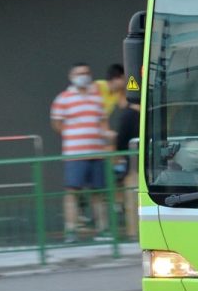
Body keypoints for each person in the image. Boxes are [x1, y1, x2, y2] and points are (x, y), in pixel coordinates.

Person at [50, 62, 112, 237]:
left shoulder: (97, 97)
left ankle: (103, 228)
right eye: (79, 73)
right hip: (75, 153)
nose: (83, 76)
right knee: (72, 191)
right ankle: (71, 229)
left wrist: (105, 138)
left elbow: (102, 121)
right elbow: (56, 123)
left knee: (98, 192)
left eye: (86, 72)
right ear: (71, 77)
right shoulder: (63, 98)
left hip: (97, 152)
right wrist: (73, 135)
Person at [109, 85, 140, 241]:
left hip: (134, 164)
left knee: (132, 199)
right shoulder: (145, 113)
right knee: (132, 199)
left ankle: (133, 232)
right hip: (136, 166)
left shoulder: (128, 115)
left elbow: (121, 141)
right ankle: (133, 232)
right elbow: (121, 141)